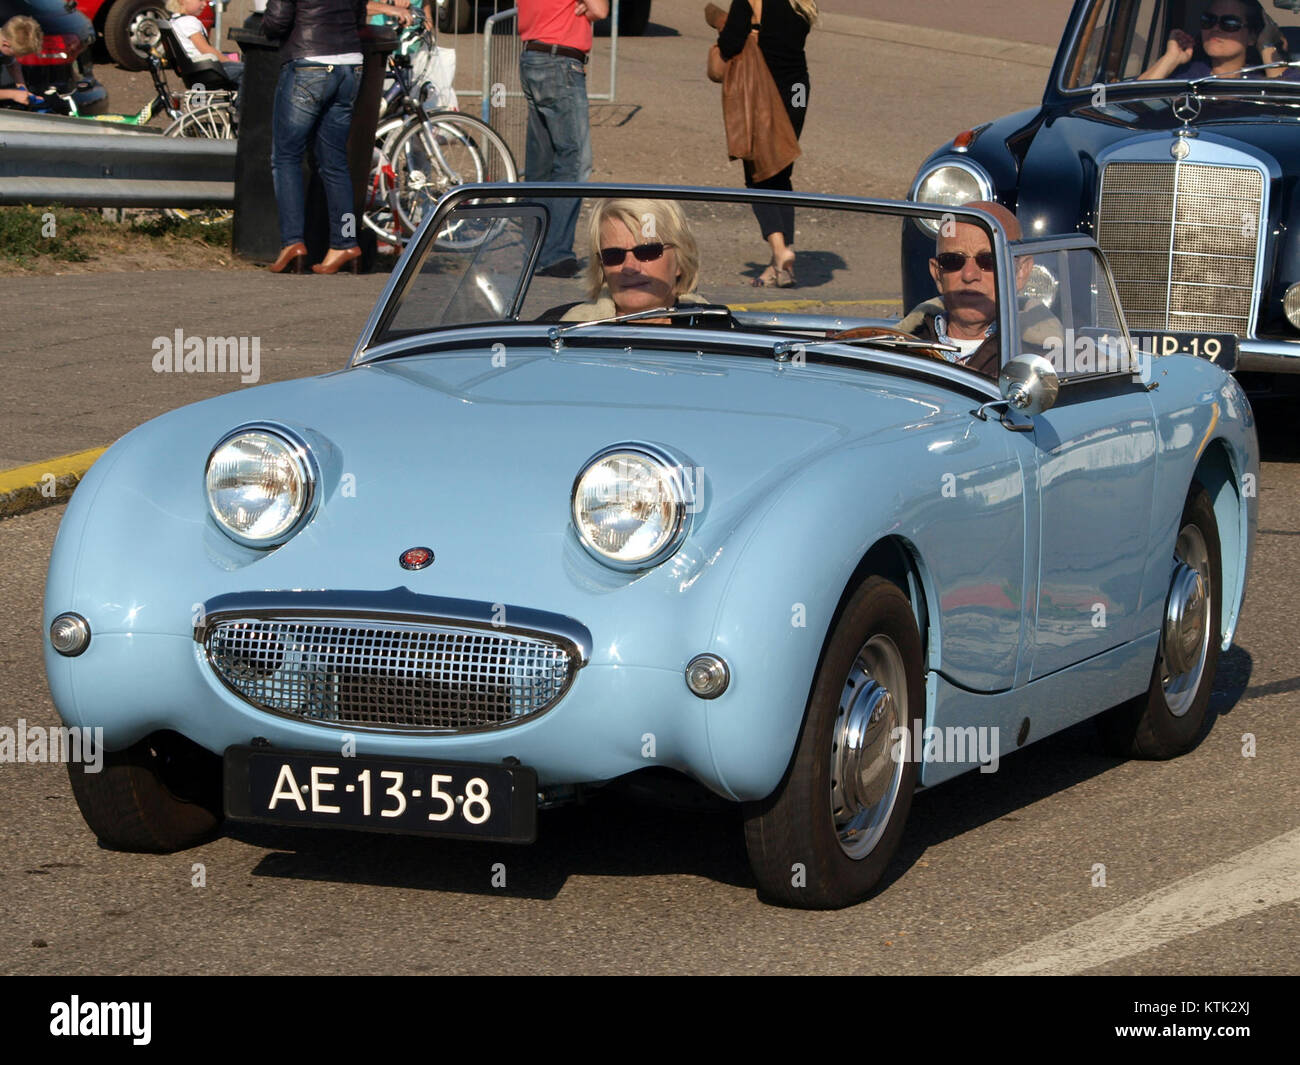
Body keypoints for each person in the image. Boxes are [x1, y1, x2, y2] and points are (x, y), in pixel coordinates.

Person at [715, 0, 816, 288]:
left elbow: (730, 44)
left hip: (765, 93)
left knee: (759, 175)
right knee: (781, 170)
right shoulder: (803, 4)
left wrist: (721, 25)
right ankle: (780, 267)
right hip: (798, 90)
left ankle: (780, 250)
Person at [263, 0, 369, 275]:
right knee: (335, 163)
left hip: (308, 62)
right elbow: (359, 16)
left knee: (286, 157)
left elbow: (276, 21)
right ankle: (345, 242)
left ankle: (293, 243)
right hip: (350, 65)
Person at [898, 202, 1051, 378]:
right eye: (952, 260)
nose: (969, 275)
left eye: (989, 260)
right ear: (937, 274)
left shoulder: (1054, 359)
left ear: (1021, 272)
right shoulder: (895, 348)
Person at [517, 0, 609, 278]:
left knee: (541, 166)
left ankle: (535, 251)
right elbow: (600, 9)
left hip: (534, 53)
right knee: (574, 161)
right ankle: (555, 253)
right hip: (560, 61)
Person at [559, 198, 702, 322]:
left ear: (681, 260)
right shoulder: (565, 333)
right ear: (601, 265)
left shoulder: (716, 331)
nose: (629, 267)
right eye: (613, 255)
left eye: (647, 251)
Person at [1138, 0, 1296, 80]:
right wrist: (1171, 58)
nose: (1215, 28)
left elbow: (1289, 106)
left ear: (1252, 37)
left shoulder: (1262, 78)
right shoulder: (1188, 74)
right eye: (1209, 20)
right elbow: (1135, 104)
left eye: (1230, 23)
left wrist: (1267, 46)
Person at [166, 0, 244, 88]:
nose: (204, 3)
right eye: (200, 0)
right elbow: (206, 50)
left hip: (193, 71)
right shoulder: (189, 22)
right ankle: (244, 102)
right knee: (248, 72)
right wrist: (230, 61)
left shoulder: (174, 21)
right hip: (206, 70)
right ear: (182, 1)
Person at [0, 16, 42, 108]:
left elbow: (12, 64)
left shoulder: (4, 41)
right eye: (17, 53)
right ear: (6, 45)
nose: (19, 57)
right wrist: (12, 94)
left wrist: (22, 89)